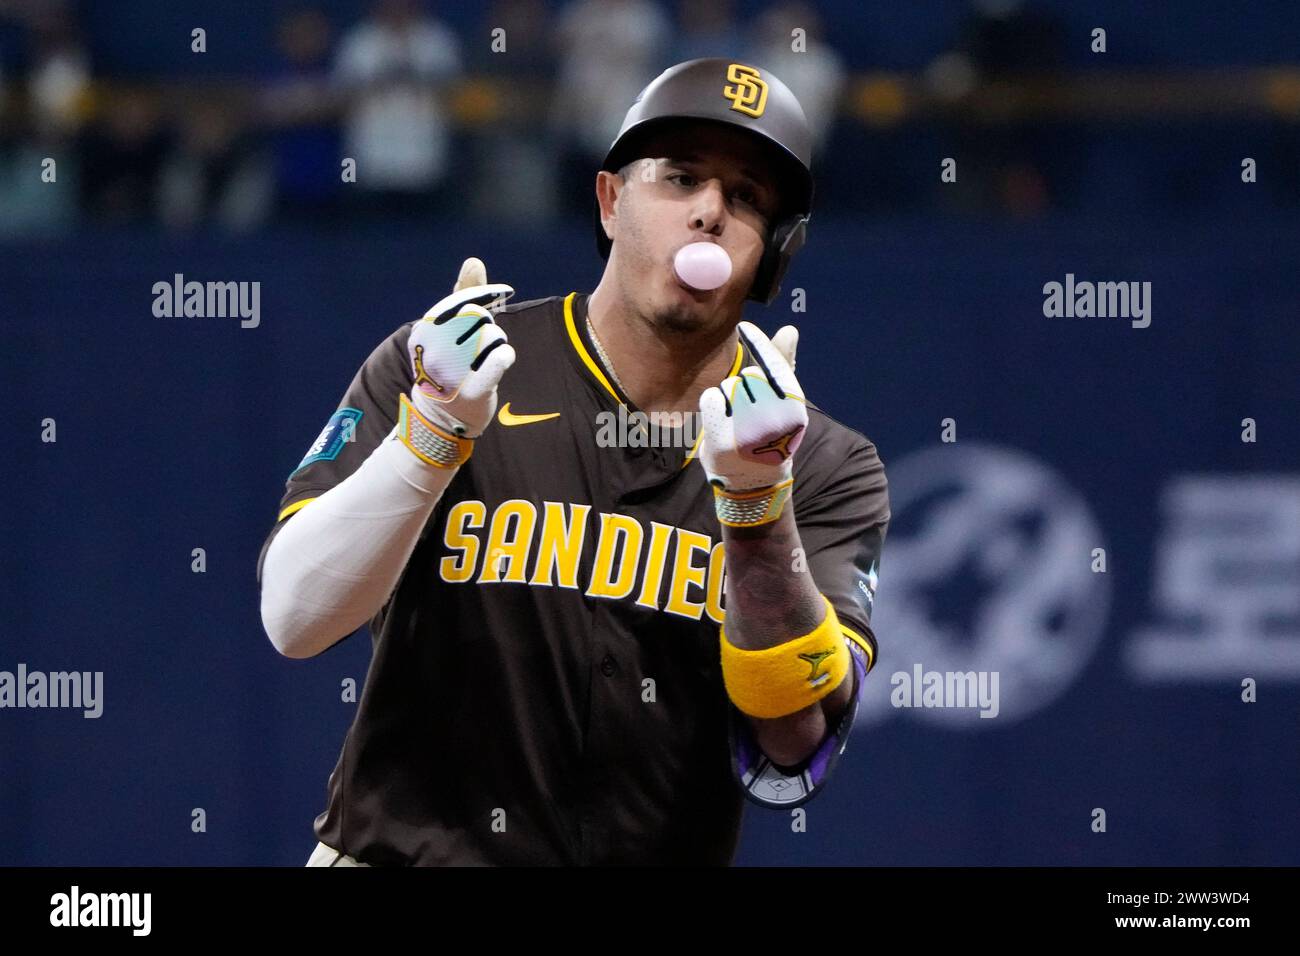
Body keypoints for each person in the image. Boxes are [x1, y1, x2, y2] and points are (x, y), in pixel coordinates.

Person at [257, 58, 890, 866]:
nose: (708, 214)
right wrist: (432, 436)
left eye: (747, 199)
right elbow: (295, 619)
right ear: (611, 199)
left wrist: (758, 504)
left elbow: (792, 751)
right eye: (681, 177)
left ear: (773, 255)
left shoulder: (823, 464)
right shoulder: (456, 365)